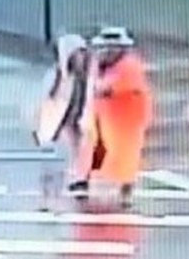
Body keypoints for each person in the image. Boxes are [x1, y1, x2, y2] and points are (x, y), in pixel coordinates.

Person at [88, 27, 153, 208]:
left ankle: (125, 193)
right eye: (104, 47)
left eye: (112, 47)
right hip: (108, 118)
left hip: (128, 120)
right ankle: (106, 188)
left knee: (127, 156)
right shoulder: (102, 65)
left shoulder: (129, 66)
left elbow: (110, 88)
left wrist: (98, 88)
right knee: (106, 154)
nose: (107, 51)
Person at [33, 33, 94, 207]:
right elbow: (47, 103)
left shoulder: (88, 77)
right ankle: (51, 198)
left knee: (79, 154)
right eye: (76, 54)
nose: (81, 58)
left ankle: (79, 182)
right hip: (59, 129)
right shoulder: (56, 77)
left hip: (77, 125)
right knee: (55, 165)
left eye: (82, 54)